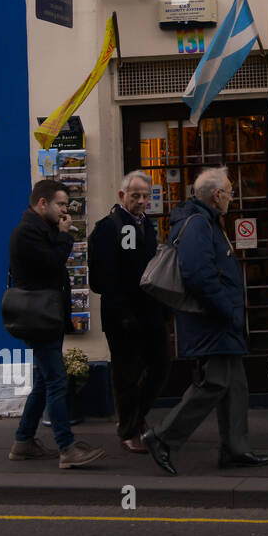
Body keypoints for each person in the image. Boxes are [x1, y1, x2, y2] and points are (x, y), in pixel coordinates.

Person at [142, 167, 268, 475]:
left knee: (235, 385)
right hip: (211, 320)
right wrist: (226, 310)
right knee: (213, 383)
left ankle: (235, 449)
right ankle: (162, 438)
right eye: (229, 192)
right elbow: (198, 276)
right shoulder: (199, 224)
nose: (231, 198)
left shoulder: (206, 221)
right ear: (216, 195)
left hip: (217, 319)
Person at [8, 179, 107, 469]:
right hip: (38, 318)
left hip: (46, 316)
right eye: (60, 204)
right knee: (57, 380)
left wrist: (59, 233)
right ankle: (67, 448)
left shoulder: (41, 228)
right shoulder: (26, 233)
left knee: (43, 381)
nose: (66, 210)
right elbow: (51, 263)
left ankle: (23, 442)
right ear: (43, 204)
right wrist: (64, 236)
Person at [89, 170, 169, 453]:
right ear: (122, 195)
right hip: (122, 314)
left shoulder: (148, 225)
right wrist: (123, 312)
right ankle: (128, 429)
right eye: (136, 196)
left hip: (151, 310)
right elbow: (102, 279)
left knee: (161, 365)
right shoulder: (108, 227)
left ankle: (136, 416)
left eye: (146, 196)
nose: (142, 201)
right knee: (126, 374)